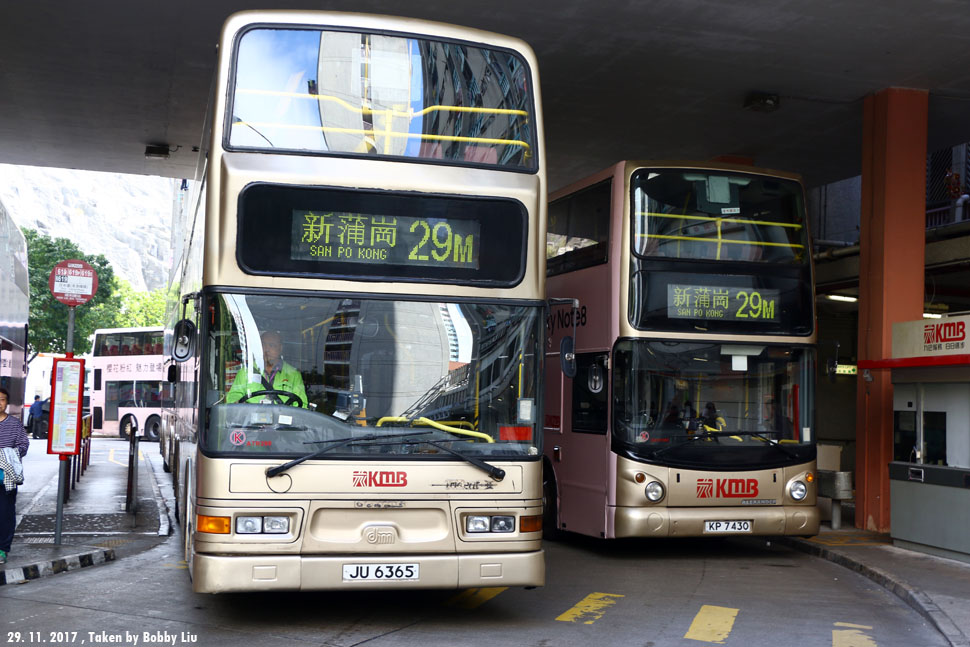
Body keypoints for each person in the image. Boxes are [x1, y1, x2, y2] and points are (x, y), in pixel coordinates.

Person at [227, 331, 307, 407]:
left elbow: (302, 405)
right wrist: (238, 402)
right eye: (263, 345)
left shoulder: (293, 374)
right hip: (251, 418)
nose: (266, 349)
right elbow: (233, 396)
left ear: (280, 348)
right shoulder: (246, 372)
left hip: (282, 419)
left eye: (271, 345)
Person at [0, 387, 30, 565]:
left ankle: (2, 549)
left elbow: (23, 445)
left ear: (7, 403)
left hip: (7, 478)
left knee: (5, 514)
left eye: (2, 399)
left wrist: (7, 455)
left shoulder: (14, 424)